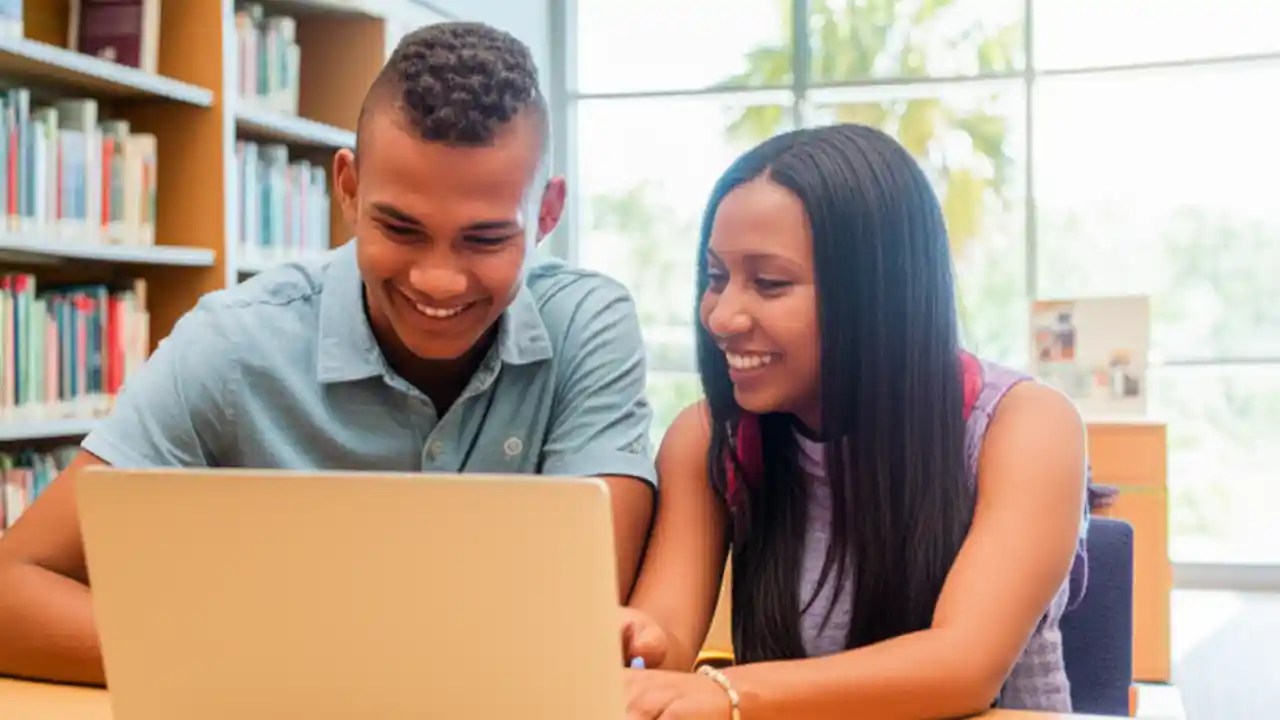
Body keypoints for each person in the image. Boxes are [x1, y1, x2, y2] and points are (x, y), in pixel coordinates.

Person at [0, 22, 656, 686]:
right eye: (400, 227)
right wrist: (273, 665)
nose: (438, 279)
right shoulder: (233, 343)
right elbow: (10, 593)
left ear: (547, 213)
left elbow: (581, 621)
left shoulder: (587, 327)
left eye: (485, 239)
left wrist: (296, 656)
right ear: (346, 188)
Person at [619, 124, 1089, 719]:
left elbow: (962, 667)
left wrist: (729, 693)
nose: (723, 316)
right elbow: (665, 638)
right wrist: (642, 645)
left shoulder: (1023, 425)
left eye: (769, 283)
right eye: (717, 278)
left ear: (878, 294)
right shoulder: (708, 437)